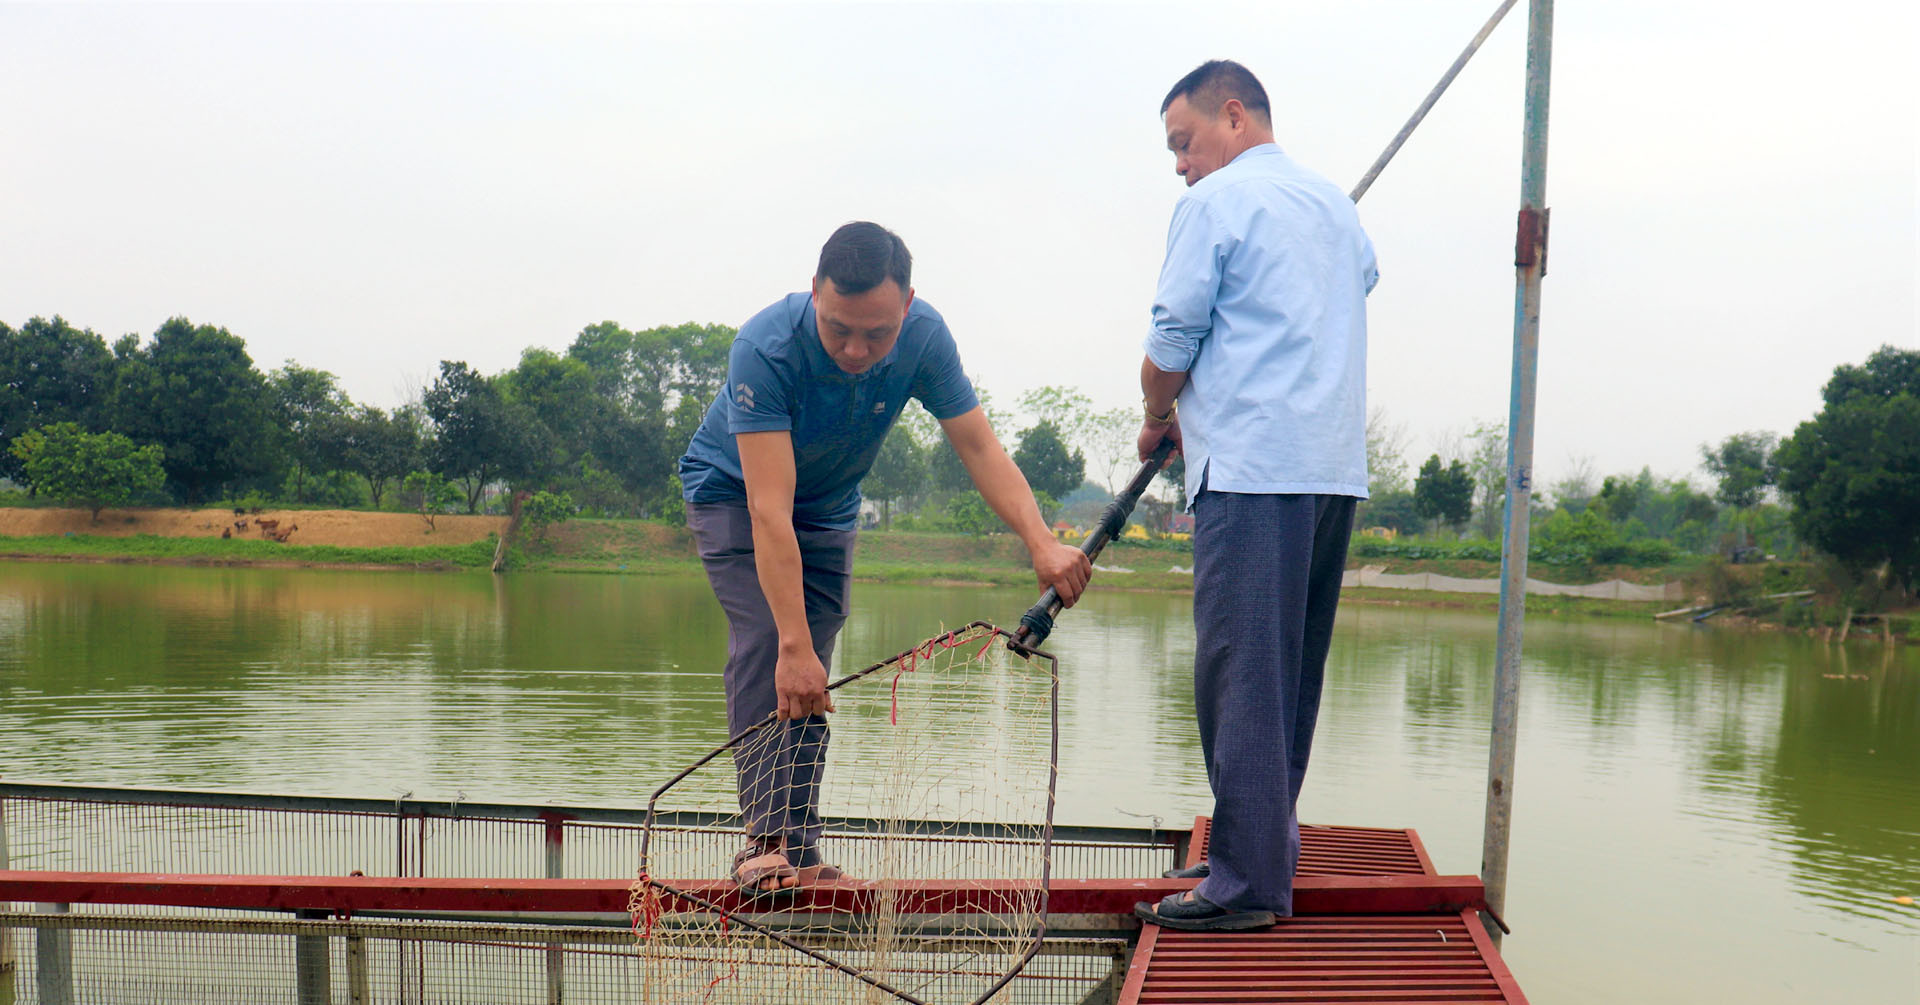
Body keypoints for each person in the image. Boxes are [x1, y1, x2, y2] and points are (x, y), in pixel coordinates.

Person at [679, 221, 1093, 894]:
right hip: (737, 493)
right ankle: (763, 839)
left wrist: (1041, 541)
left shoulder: (926, 337)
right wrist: (791, 640)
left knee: (814, 662)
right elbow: (769, 510)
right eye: (840, 328)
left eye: (877, 334)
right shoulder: (766, 347)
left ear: (907, 304)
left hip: (831, 505)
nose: (855, 349)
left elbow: (980, 446)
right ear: (814, 292)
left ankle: (802, 841)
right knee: (772, 643)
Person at [1130, 61, 1378, 931]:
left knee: (1239, 672)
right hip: (1331, 470)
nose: (1180, 164)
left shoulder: (1213, 206)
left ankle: (1245, 882)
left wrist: (1160, 409)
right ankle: (1256, 844)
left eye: (1184, 142)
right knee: (1287, 676)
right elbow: (1353, 288)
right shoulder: (1336, 209)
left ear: (1232, 117)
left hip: (1253, 469)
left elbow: (1174, 337)